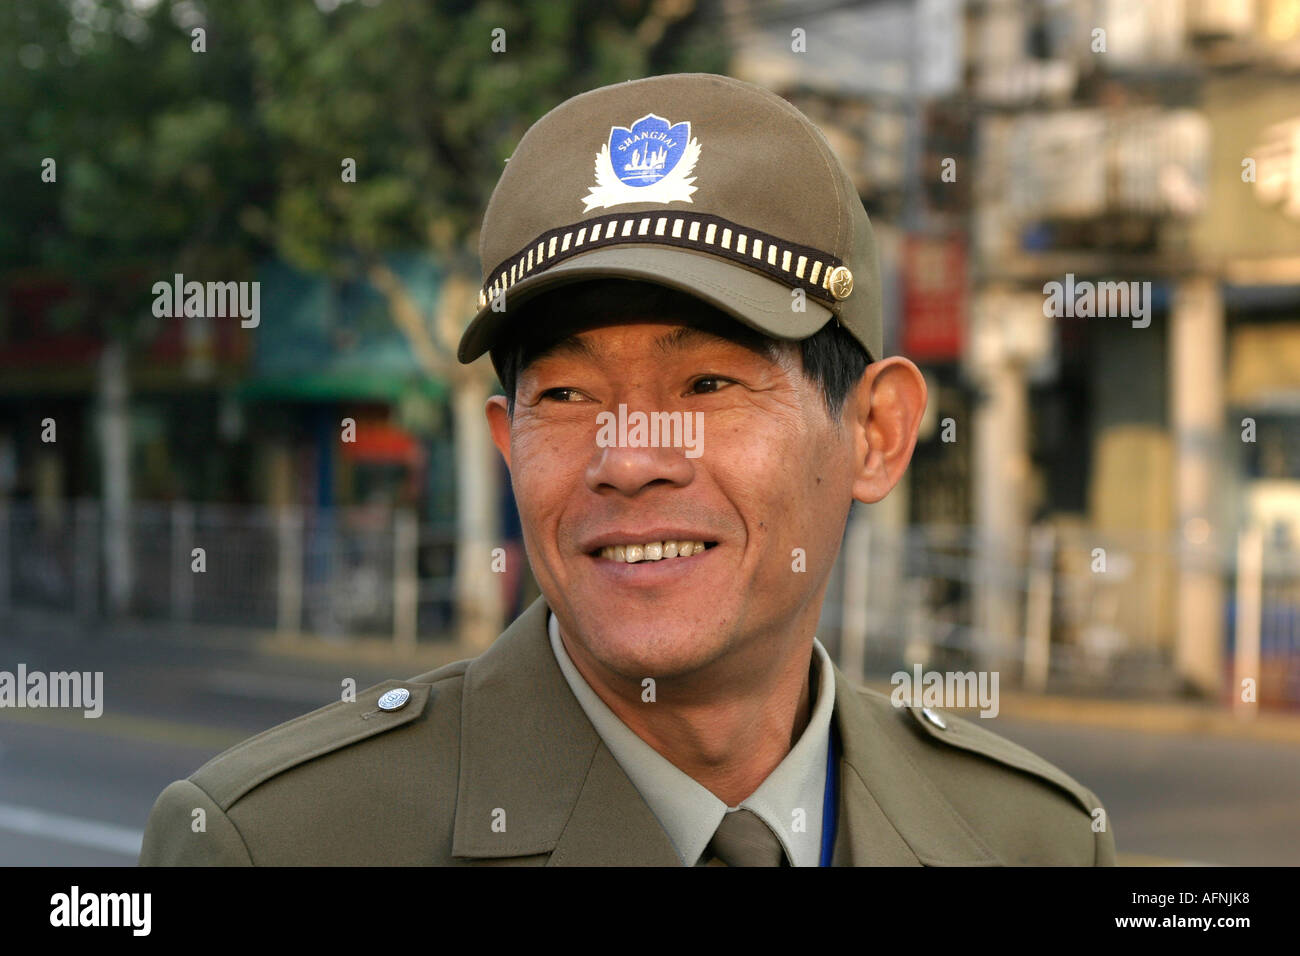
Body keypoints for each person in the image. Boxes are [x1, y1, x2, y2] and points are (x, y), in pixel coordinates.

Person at [140, 72, 1115, 866]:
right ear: (506, 442)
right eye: (565, 397)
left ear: (876, 433)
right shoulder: (277, 843)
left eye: (704, 382)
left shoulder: (1032, 841)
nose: (631, 459)